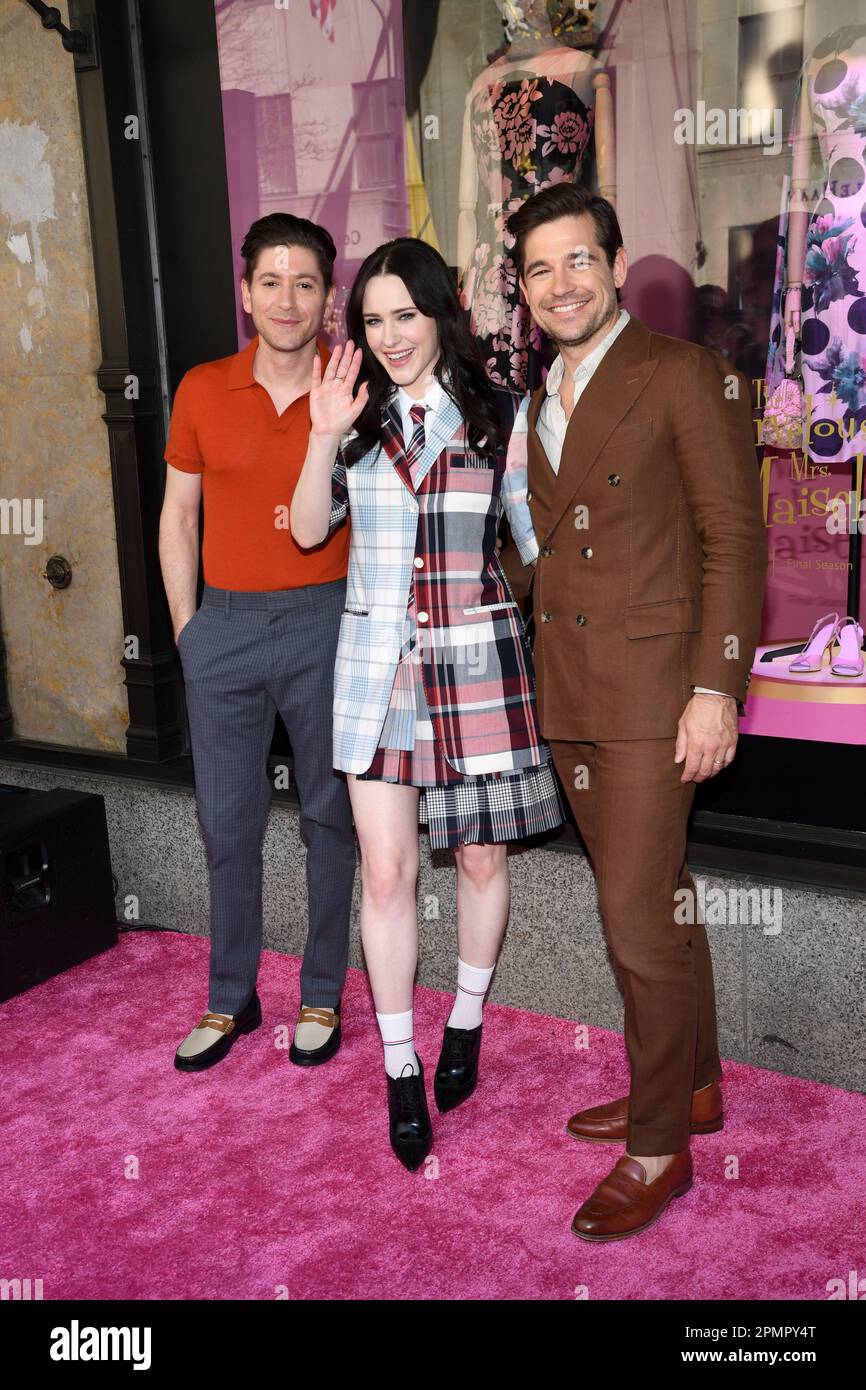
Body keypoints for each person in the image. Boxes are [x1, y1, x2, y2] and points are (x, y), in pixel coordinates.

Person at [498, 183, 766, 1239]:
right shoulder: (536, 397)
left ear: (614, 265)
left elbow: (733, 544)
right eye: (537, 269)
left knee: (635, 922)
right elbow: (540, 545)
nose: (559, 284)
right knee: (661, 899)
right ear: (519, 290)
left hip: (658, 696)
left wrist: (716, 687)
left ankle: (659, 1145)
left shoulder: (681, 373)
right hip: (569, 687)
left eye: (577, 261)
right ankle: (691, 1082)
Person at [290, 237, 565, 1171]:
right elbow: (304, 530)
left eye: (405, 313)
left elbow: (535, 542)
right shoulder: (354, 416)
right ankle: (401, 1064)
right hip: (374, 670)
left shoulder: (498, 414)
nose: (390, 335)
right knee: (386, 873)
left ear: (441, 311)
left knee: (483, 858)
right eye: (372, 319)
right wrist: (322, 432)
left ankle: (468, 1021)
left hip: (476, 662)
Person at [160, 213, 356, 1074]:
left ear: (327, 299)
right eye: (270, 282)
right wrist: (188, 631)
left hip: (325, 620)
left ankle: (322, 992)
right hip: (224, 628)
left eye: (305, 283)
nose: (287, 299)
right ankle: (229, 996)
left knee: (328, 815)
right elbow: (177, 516)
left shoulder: (352, 389)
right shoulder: (202, 387)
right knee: (226, 819)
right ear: (246, 295)